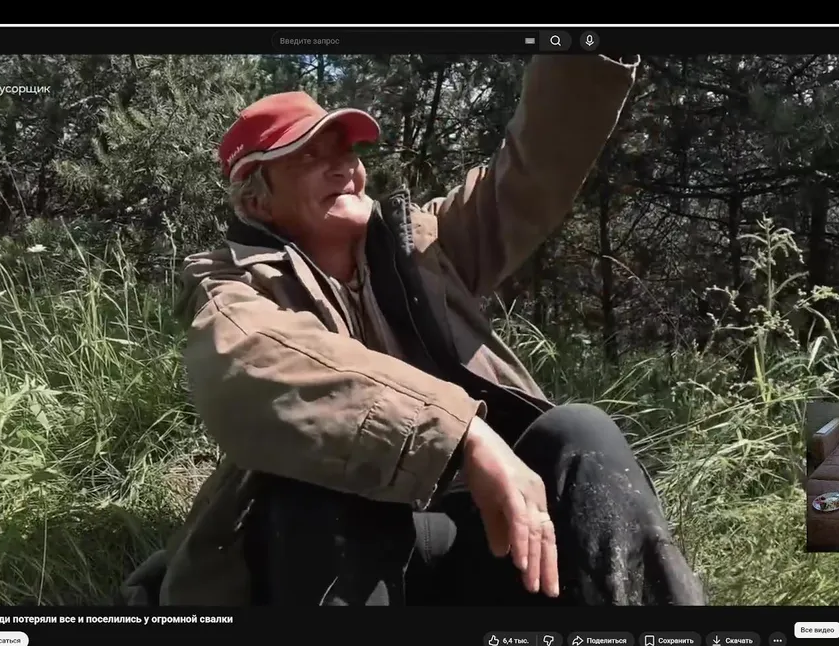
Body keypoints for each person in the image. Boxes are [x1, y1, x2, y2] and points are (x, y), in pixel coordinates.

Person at [121, 54, 707, 607]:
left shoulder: (427, 243)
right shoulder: (230, 284)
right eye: (309, 155)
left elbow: (534, 172)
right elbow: (251, 361)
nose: (345, 167)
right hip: (341, 559)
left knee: (579, 430)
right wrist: (462, 434)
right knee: (318, 486)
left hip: (485, 534)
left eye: (348, 150)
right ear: (257, 199)